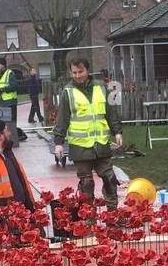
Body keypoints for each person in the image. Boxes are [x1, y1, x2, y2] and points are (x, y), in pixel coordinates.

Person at [52, 56, 123, 210]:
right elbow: (62, 119)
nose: (78, 76)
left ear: (88, 70)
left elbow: (111, 112)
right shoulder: (67, 92)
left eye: (81, 71)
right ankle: (88, 217)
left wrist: (117, 131)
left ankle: (112, 213)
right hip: (80, 147)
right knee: (86, 184)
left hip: (101, 144)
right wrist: (58, 143)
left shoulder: (102, 87)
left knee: (109, 178)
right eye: (74, 72)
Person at [0, 58, 22, 140]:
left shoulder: (10, 73)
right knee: (4, 121)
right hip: (2, 101)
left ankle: (13, 138)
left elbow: (15, 86)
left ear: (3, 65)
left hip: (11, 102)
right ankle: (6, 138)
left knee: (12, 121)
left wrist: (3, 90)